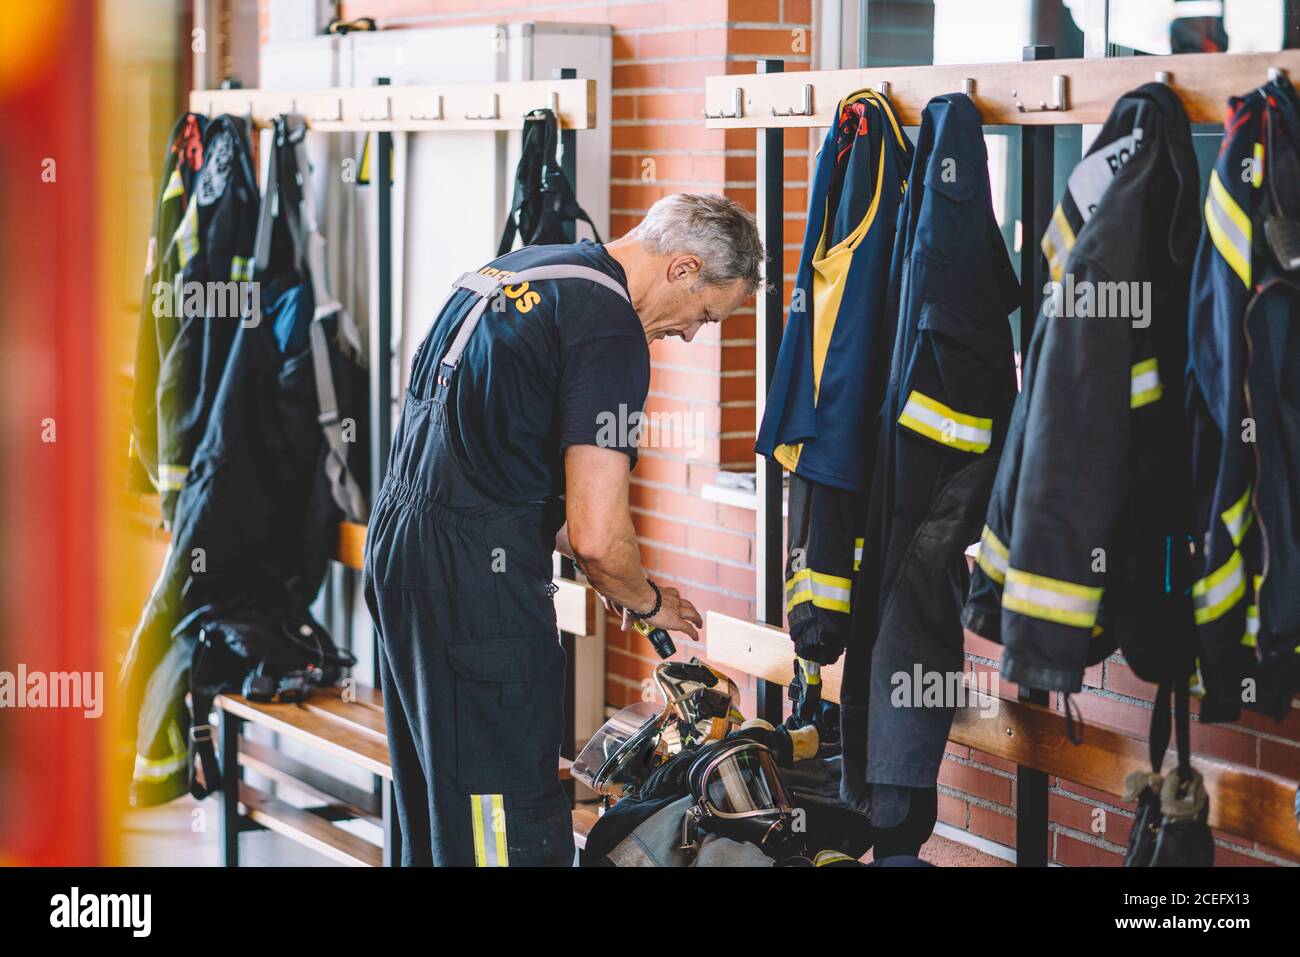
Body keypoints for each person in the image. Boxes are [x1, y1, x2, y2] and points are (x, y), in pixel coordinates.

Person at [363, 192, 764, 866]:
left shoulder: (518, 271)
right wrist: (647, 599)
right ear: (683, 266)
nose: (692, 334)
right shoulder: (609, 330)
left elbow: (487, 462)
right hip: (473, 591)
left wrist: (603, 566)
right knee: (501, 810)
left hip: (405, 550)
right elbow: (598, 536)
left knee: (435, 794)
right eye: (704, 313)